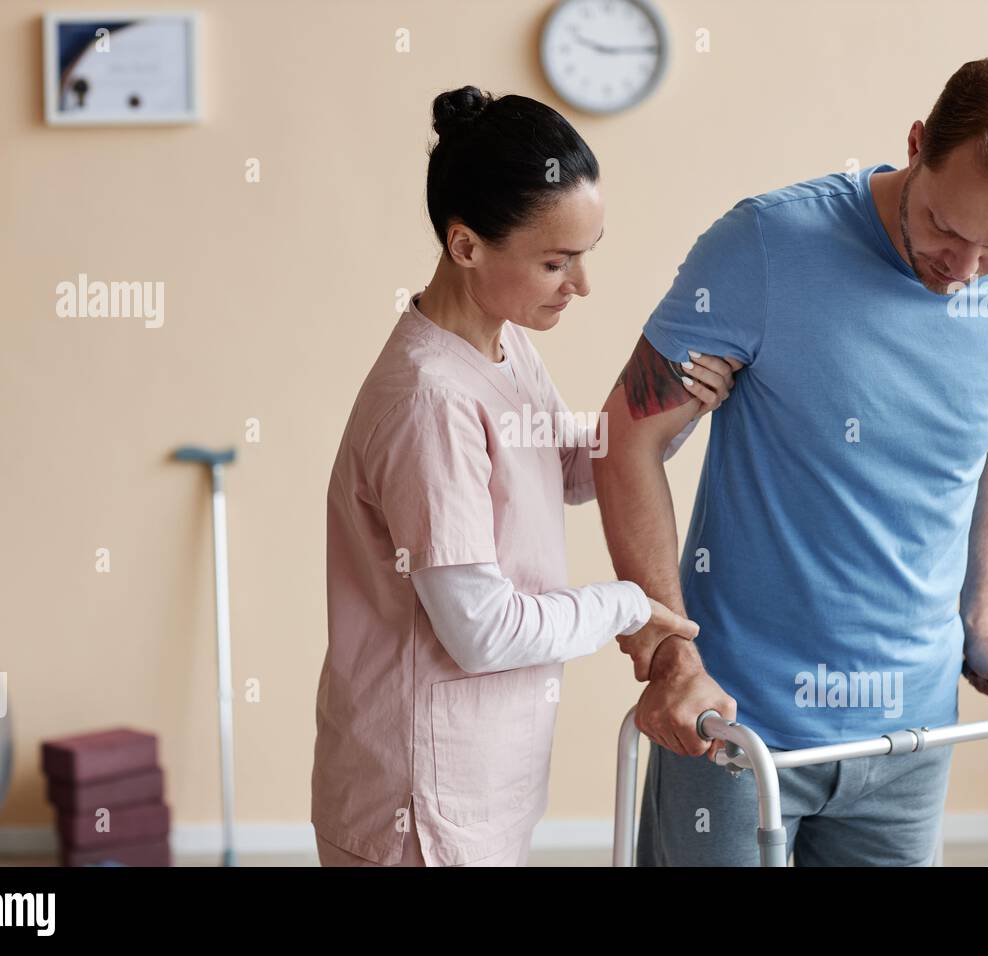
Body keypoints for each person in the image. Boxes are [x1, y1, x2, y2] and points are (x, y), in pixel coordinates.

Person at [591, 53, 988, 866]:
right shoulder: (767, 245)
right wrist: (669, 654)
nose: (960, 271)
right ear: (917, 145)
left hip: (913, 730)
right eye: (945, 228)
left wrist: (981, 617)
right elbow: (627, 436)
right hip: (736, 722)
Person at [311, 86, 743, 867]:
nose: (580, 286)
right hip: (416, 802)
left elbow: (555, 463)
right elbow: (481, 631)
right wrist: (627, 605)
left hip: (478, 775)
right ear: (466, 245)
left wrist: (669, 415)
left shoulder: (501, 346)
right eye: (555, 262)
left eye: (587, 254)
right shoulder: (428, 399)